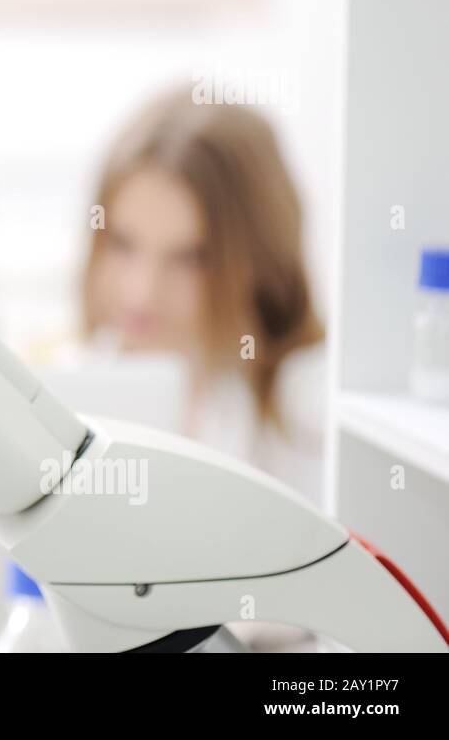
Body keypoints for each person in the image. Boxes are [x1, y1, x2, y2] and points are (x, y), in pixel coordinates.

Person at [80, 87, 326, 509]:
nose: (142, 292)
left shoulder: (308, 411)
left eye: (189, 258)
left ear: (258, 260)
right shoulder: (85, 382)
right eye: (123, 243)